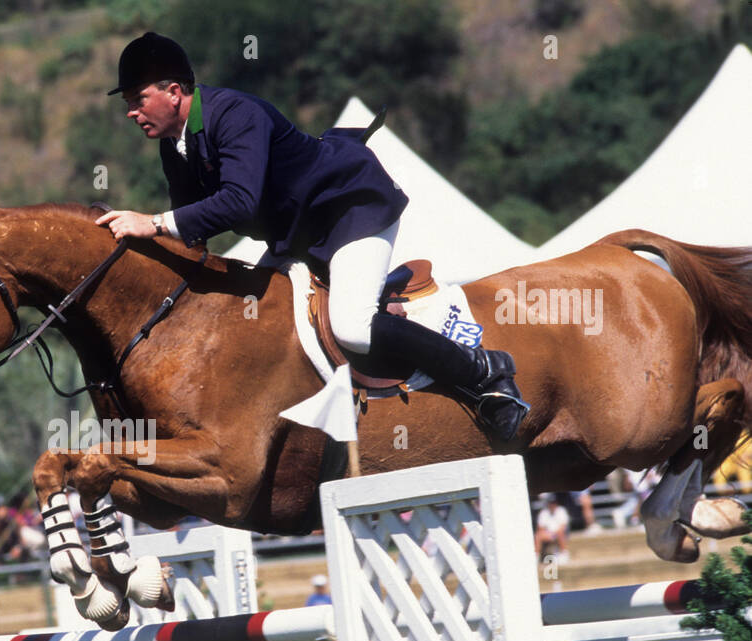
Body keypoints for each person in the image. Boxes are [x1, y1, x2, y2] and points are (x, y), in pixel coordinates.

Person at [97, 32, 527, 440]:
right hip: (298, 238)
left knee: (353, 327)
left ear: (174, 91)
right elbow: (191, 233)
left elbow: (238, 203)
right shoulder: (175, 144)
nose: (131, 112)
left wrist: (152, 222)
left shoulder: (235, 115)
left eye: (138, 99)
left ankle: (484, 371)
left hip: (350, 212)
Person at [534, 494, 571, 563]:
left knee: (560, 533)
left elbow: (563, 526)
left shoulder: (561, 511)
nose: (552, 504)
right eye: (550, 503)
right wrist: (549, 535)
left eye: (553, 502)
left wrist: (553, 534)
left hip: (559, 533)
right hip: (549, 534)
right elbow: (540, 528)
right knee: (538, 535)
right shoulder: (544, 513)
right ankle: (536, 556)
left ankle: (564, 554)